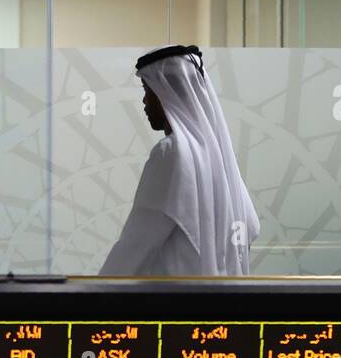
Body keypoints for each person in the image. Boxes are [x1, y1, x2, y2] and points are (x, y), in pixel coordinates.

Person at [100, 45, 260, 276]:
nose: (144, 101)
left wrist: (96, 290)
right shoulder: (216, 153)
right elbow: (251, 225)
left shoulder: (172, 152)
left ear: (166, 92)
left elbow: (137, 243)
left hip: (179, 300)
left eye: (148, 90)